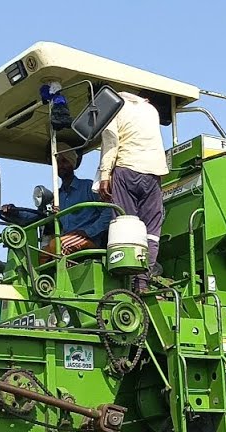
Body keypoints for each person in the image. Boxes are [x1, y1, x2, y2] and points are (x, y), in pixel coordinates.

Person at [96, 88, 169, 291]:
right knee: (151, 230)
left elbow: (111, 143)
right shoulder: (151, 110)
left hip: (126, 169)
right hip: (153, 173)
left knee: (125, 224)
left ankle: (127, 281)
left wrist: (104, 176)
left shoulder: (115, 108)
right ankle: (143, 282)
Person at [1, 147, 112, 256]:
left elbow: (109, 211)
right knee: (40, 255)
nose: (60, 166)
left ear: (72, 164)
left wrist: (88, 232)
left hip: (90, 239)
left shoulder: (88, 187)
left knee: (57, 245)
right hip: (66, 238)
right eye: (57, 163)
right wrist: (15, 212)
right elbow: (39, 217)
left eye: (64, 161)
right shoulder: (57, 197)